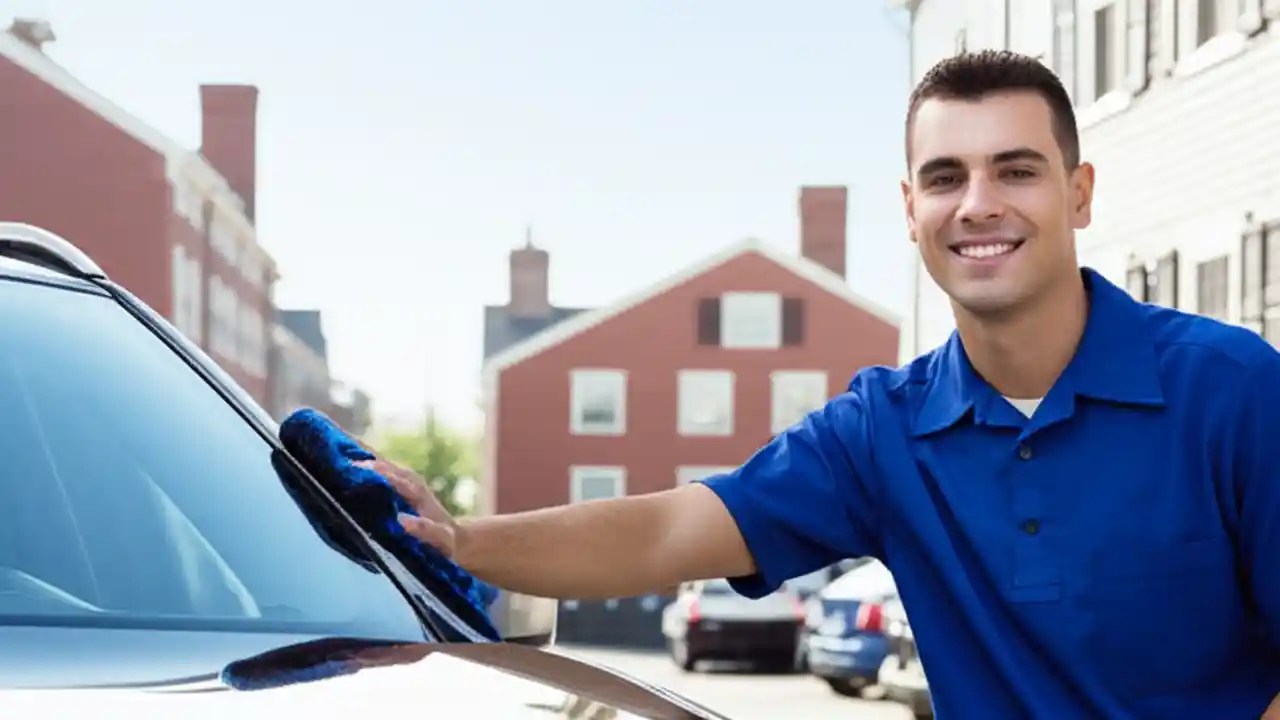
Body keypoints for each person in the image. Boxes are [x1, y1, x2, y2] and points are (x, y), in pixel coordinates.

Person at [364, 50, 1280, 718]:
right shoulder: (882, 430)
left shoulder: (1232, 391)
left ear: (1079, 194)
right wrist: (461, 539)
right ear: (910, 211)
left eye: (1017, 170)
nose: (978, 204)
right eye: (944, 177)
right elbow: (671, 527)